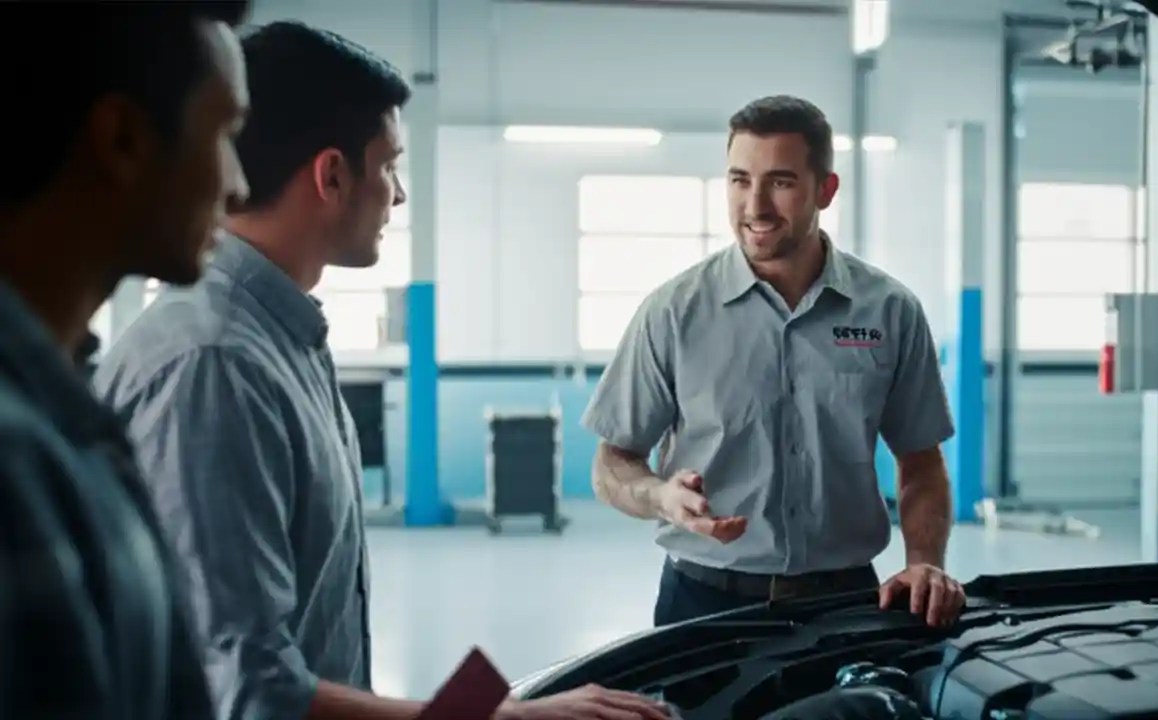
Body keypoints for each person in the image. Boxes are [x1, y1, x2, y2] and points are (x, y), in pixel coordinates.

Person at [94, 20, 669, 720]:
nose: (398, 196)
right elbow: (247, 690)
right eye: (391, 165)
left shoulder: (282, 336)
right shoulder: (215, 365)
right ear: (332, 175)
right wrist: (493, 719)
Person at [582, 95, 967, 629]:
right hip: (701, 606)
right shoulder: (674, 313)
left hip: (846, 603)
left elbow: (921, 463)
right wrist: (661, 497)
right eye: (740, 180)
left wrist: (924, 564)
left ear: (825, 190)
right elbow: (612, 463)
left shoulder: (890, 311)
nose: (755, 206)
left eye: (781, 182)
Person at [0, 2, 252, 718]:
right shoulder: (15, 461)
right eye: (226, 132)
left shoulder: (64, 420)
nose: (236, 183)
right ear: (122, 139)